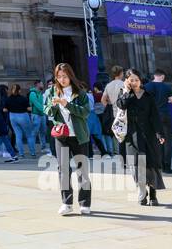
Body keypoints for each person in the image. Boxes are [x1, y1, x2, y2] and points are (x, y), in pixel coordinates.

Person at [46, 63, 93, 215]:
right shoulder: (52, 91)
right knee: (63, 170)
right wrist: (53, 106)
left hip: (79, 136)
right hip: (62, 136)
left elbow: (85, 112)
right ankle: (66, 203)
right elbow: (46, 110)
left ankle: (85, 203)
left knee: (82, 170)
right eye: (59, 77)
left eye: (64, 76)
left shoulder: (79, 92)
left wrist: (67, 104)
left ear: (70, 76)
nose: (62, 80)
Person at [116, 69, 166, 205]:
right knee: (137, 165)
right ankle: (142, 192)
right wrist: (126, 90)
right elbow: (121, 105)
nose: (134, 82)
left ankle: (153, 195)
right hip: (132, 135)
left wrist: (159, 133)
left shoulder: (148, 96)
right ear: (127, 81)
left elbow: (155, 116)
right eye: (131, 80)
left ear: (140, 80)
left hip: (148, 134)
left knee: (151, 163)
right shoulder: (125, 94)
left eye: (136, 80)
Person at [145, 70, 172, 174]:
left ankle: (157, 165)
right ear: (163, 77)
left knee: (154, 141)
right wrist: (167, 100)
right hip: (164, 115)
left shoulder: (147, 86)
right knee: (167, 141)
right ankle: (167, 167)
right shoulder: (167, 87)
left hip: (151, 117)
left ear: (154, 76)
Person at [101, 66, 127, 166]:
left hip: (114, 113)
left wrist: (110, 104)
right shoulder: (124, 84)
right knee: (126, 136)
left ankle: (120, 157)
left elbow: (103, 100)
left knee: (118, 136)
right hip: (124, 112)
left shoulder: (108, 85)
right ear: (121, 73)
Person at [7, 84, 34, 161]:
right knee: (29, 135)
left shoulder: (8, 99)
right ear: (19, 90)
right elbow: (28, 108)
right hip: (23, 116)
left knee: (18, 135)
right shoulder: (23, 98)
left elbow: (5, 109)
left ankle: (21, 154)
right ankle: (32, 153)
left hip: (12, 117)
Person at [87, 83, 111, 157]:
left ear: (95, 88)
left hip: (94, 116)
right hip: (105, 116)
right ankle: (108, 151)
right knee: (106, 134)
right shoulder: (104, 95)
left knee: (97, 135)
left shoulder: (92, 96)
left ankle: (95, 152)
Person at [28, 80, 50, 155]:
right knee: (34, 133)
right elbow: (37, 104)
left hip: (42, 115)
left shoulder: (40, 93)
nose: (43, 85)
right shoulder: (33, 93)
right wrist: (46, 110)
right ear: (37, 84)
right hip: (36, 115)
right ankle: (32, 151)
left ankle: (43, 148)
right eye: (41, 84)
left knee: (43, 132)